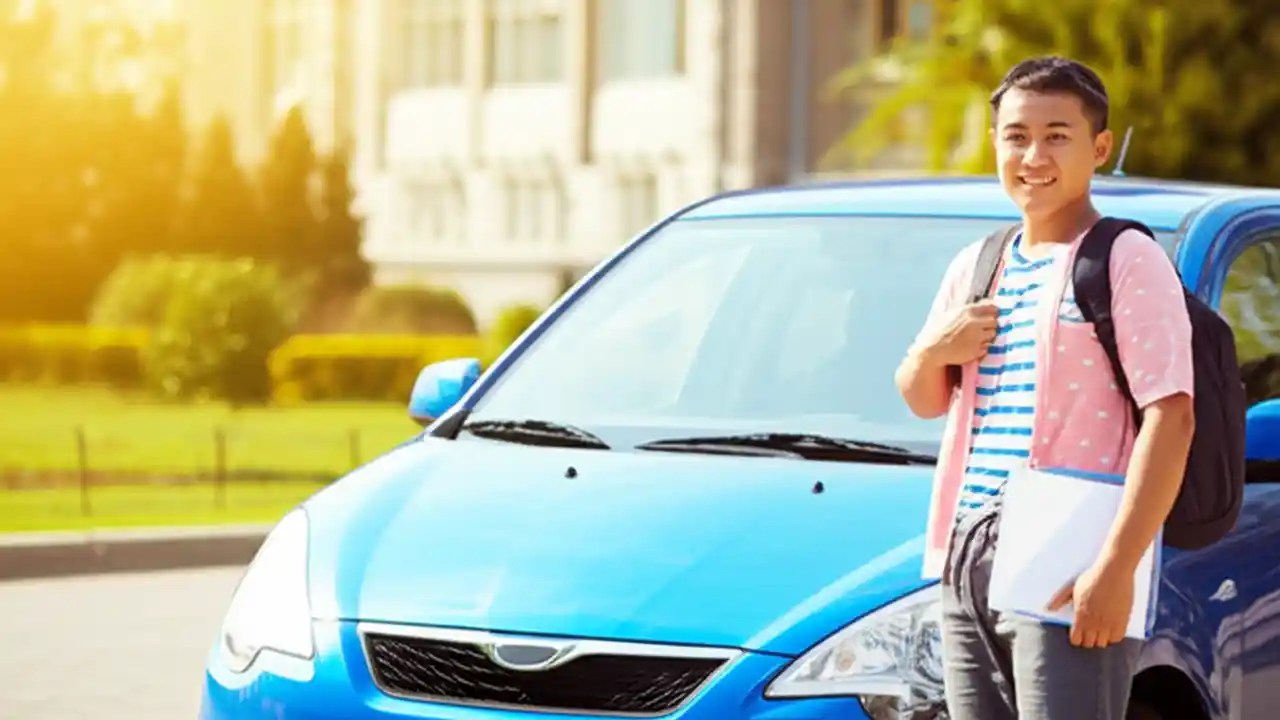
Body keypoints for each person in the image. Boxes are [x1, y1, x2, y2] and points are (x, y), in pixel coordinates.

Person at [894, 56, 1197, 719]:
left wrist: (1116, 568)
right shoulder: (980, 263)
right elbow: (922, 398)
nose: (1033, 154)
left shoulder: (1126, 258)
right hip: (966, 550)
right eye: (1016, 135)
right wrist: (934, 350)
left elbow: (1171, 417)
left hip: (1071, 557)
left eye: (1057, 135)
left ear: (1099, 147)